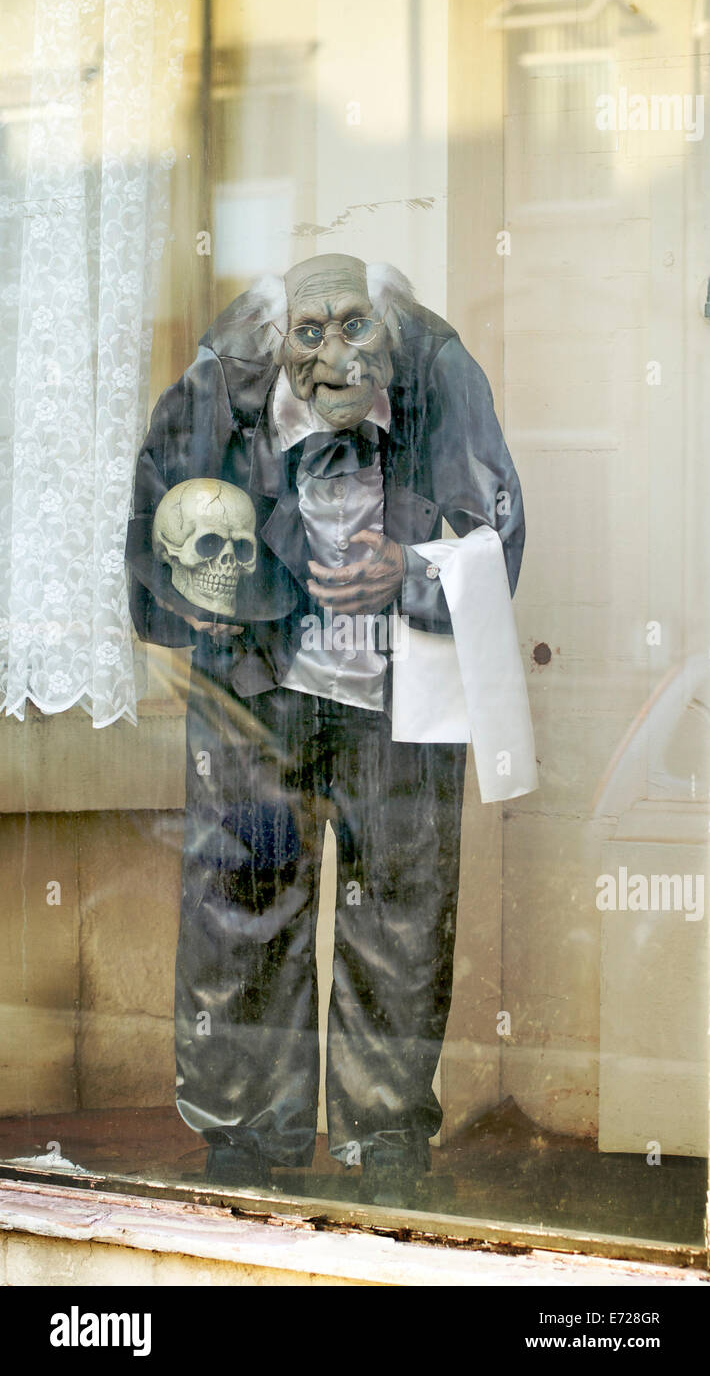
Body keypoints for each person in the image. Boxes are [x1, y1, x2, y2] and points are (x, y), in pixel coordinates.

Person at [125, 252, 525, 1207]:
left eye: (357, 329)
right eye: (313, 333)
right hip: (263, 691)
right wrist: (245, 589)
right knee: (242, 899)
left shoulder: (441, 372)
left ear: (391, 335)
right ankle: (244, 1131)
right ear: (281, 338)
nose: (337, 356)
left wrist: (412, 569)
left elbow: (495, 528)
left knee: (402, 907)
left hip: (400, 695)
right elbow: (157, 531)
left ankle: (385, 1133)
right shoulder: (224, 378)